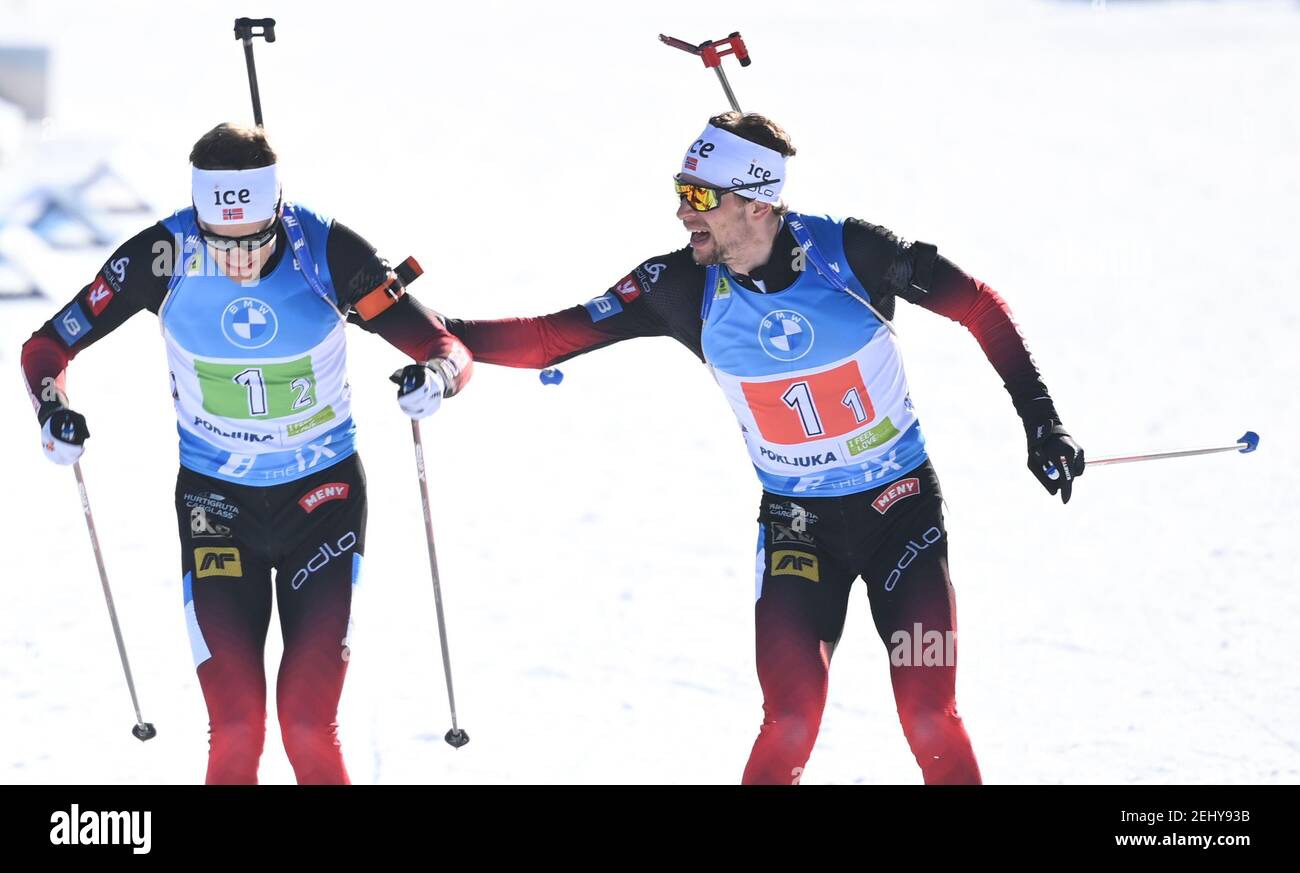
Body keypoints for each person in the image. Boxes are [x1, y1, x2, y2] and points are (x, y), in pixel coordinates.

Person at [438, 111, 1084, 785]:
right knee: (790, 724)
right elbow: (549, 338)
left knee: (930, 720)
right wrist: (432, 335)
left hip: (903, 516)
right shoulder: (680, 287)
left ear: (755, 204)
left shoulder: (850, 254)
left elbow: (976, 305)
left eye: (699, 198)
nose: (682, 213)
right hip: (798, 529)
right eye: (680, 192)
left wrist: (1042, 421)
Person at [21, 122, 472, 784]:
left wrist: (433, 380)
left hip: (323, 503)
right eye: (218, 242)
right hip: (215, 506)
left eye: (255, 241)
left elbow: (443, 345)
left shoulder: (326, 252)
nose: (235, 258)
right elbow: (47, 346)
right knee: (235, 729)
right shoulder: (163, 255)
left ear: (278, 213)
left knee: (305, 726)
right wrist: (53, 410)